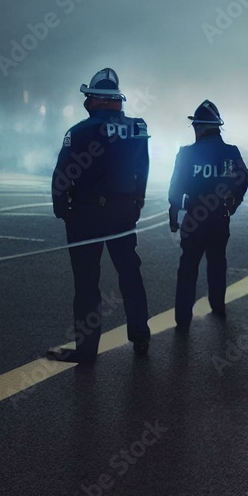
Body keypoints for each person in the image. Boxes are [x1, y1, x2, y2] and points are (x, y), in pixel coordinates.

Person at [47, 68, 151, 363]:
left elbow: (63, 174)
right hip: (123, 210)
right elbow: (142, 167)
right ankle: (140, 335)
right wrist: (137, 200)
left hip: (86, 213)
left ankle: (87, 350)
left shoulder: (79, 131)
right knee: (129, 273)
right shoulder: (137, 127)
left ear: (94, 99)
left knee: (87, 282)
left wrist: (61, 208)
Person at [168, 100, 248, 331]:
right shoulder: (230, 152)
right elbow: (243, 177)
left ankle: (183, 318)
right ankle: (218, 305)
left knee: (188, 267)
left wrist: (174, 214)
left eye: (195, 126)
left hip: (194, 216)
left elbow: (176, 186)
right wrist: (234, 202)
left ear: (201, 127)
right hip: (218, 217)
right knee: (217, 262)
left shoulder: (186, 153)